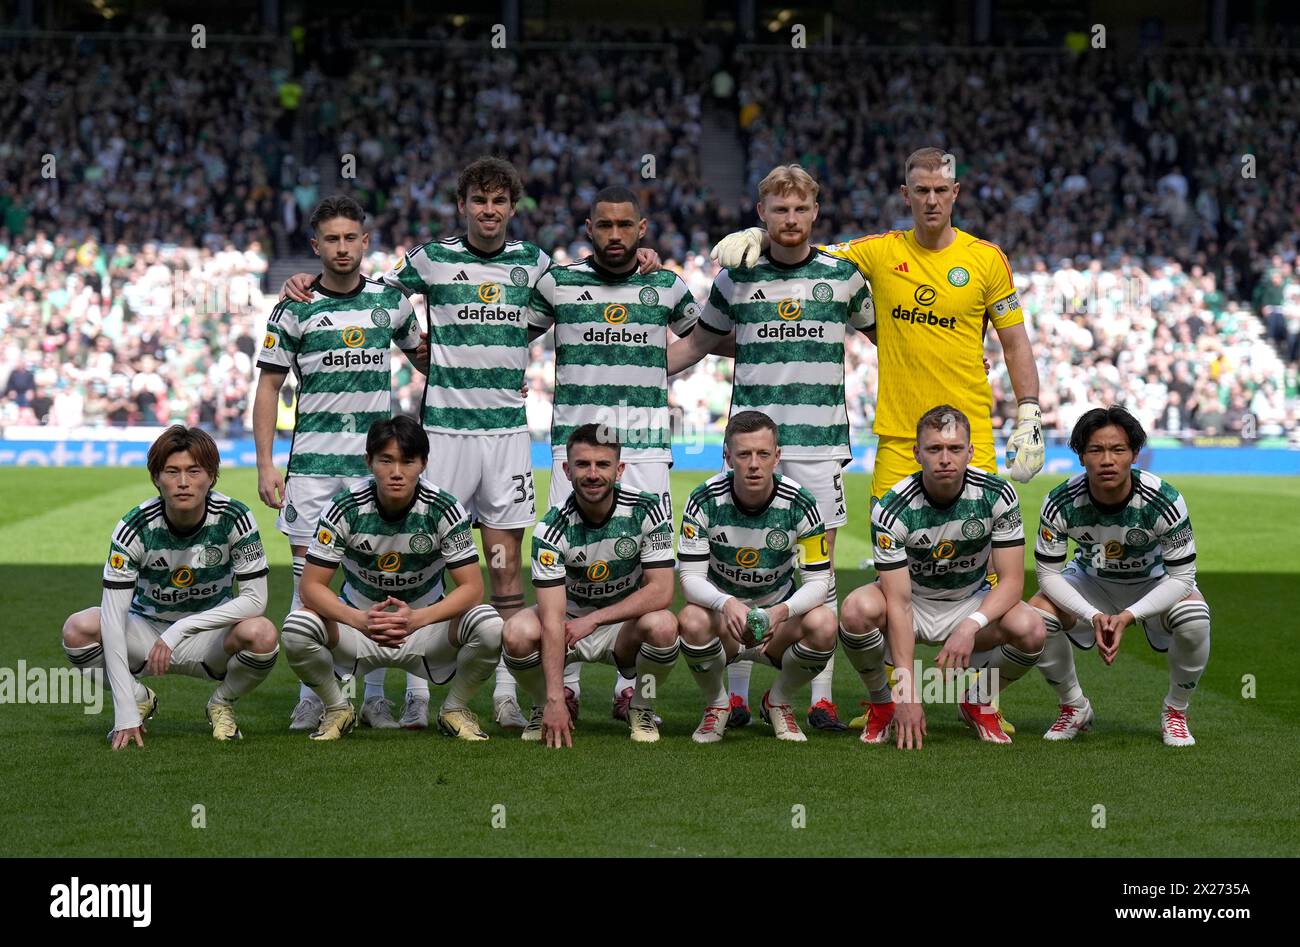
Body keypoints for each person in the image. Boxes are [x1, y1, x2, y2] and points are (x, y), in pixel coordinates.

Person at [713, 145, 1043, 735]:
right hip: (897, 436)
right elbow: (803, 249)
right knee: (897, 581)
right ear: (906, 195)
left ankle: (975, 695)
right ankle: (894, 695)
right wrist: (754, 235)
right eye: (921, 190)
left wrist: (1030, 412)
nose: (932, 199)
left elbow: (1015, 343)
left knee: (990, 586)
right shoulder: (874, 254)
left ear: (956, 192)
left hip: (971, 435)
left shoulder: (988, 260)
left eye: (942, 190)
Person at [668, 163, 874, 733]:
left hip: (820, 444)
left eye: (800, 209)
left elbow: (892, 337)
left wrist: (953, 359)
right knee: (736, 562)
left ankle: (818, 698)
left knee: (821, 573)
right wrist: (635, 373)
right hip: (752, 442)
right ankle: (735, 694)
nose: (790, 218)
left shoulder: (844, 277)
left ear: (815, 212)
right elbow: (697, 344)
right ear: (761, 215)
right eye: (778, 210)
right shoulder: (736, 277)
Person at [526, 185, 699, 722]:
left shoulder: (666, 286)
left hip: (645, 446)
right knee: (571, 565)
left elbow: (707, 338)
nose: (616, 235)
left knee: (650, 573)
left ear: (642, 229)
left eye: (626, 225)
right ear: (589, 228)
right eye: (605, 225)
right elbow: (515, 337)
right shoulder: (558, 283)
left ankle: (633, 688)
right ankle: (567, 686)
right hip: (574, 453)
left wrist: (654, 366)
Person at [255, 195, 425, 732]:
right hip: (310, 470)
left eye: (351, 238)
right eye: (332, 239)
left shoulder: (391, 302)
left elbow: (428, 357)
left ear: (366, 242)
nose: (343, 247)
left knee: (377, 578)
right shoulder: (293, 308)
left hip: (374, 468)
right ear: (316, 246)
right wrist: (265, 464)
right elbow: (268, 387)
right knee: (310, 584)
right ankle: (318, 695)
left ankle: (375, 694)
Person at [281, 416, 503, 741]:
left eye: (407, 461)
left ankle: (454, 709)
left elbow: (473, 588)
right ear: (368, 461)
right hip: (359, 628)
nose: (397, 472)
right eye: (386, 460)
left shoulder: (444, 509)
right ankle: (337, 707)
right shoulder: (344, 508)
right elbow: (311, 587)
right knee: (296, 628)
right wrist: (359, 619)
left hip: (425, 629)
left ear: (423, 463)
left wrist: (418, 619)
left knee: (490, 624)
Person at [839, 405, 1045, 748]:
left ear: (970, 451)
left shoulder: (998, 495)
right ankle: (882, 702)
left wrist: (971, 625)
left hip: (969, 602)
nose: (945, 459)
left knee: (1032, 628)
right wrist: (906, 692)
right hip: (912, 601)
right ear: (917, 452)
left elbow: (1011, 582)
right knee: (855, 610)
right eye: (934, 449)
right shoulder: (892, 509)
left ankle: (977, 701)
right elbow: (899, 602)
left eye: (954, 448)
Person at [62, 426, 276, 748]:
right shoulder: (134, 527)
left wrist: (182, 629)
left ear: (212, 476)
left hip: (210, 636)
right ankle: (138, 698)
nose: (183, 482)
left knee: (262, 633)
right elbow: (112, 616)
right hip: (146, 632)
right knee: (78, 629)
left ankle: (222, 702)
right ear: (156, 478)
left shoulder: (235, 517)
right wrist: (124, 712)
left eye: (194, 471)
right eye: (172, 472)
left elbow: (255, 600)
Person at [1030, 406, 1211, 746]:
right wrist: (1093, 615)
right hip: (1091, 581)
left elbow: (1183, 577)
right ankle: (1074, 706)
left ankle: (1176, 710)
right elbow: (1048, 575)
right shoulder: (1060, 501)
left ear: (1135, 455)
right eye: (1096, 450)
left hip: (1156, 582)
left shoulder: (1164, 499)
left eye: (1118, 450)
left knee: (1195, 617)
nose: (1107, 460)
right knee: (1035, 617)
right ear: (1081, 456)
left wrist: (1129, 616)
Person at [501, 424, 679, 746]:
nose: (593, 474)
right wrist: (555, 696)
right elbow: (552, 618)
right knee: (516, 633)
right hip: (566, 624)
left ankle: (641, 704)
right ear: (567, 470)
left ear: (620, 469)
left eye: (603, 464)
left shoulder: (647, 510)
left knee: (665, 626)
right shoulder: (551, 529)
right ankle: (544, 704)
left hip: (622, 627)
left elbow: (662, 591)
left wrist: (594, 619)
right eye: (583, 465)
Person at [676, 411, 837, 743]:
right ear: (727, 456)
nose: (753, 464)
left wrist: (781, 612)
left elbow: (820, 582)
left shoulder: (801, 503)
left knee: (824, 624)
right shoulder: (703, 500)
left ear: (777, 457)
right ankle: (718, 705)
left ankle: (778, 701)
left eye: (763, 454)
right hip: (727, 623)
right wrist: (726, 603)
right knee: (691, 619)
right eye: (743, 454)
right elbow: (689, 578)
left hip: (778, 625)